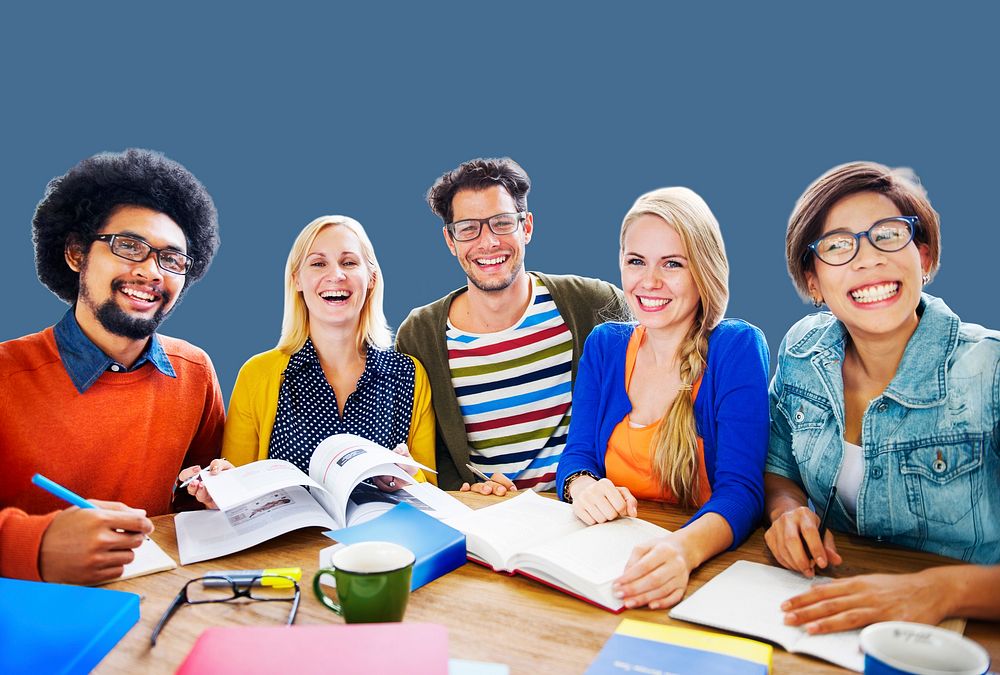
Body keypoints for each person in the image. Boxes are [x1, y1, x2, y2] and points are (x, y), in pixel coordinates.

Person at [765, 161, 1000, 633]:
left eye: (889, 235)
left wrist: (939, 590)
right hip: (836, 608)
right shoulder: (801, 351)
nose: (867, 259)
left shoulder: (989, 371)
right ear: (813, 282)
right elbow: (780, 470)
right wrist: (786, 513)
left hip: (967, 634)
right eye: (837, 245)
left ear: (925, 257)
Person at [0, 148, 224, 584]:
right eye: (129, 246)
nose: (151, 271)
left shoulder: (195, 371)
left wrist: (213, 490)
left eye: (171, 258)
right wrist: (36, 543)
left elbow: (190, 500)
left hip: (158, 601)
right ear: (76, 253)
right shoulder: (5, 375)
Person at [555, 187, 769, 610]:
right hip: (604, 565)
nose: (649, 282)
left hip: (700, 570)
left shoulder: (736, 347)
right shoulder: (605, 345)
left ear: (703, 271)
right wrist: (582, 487)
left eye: (672, 264)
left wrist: (681, 551)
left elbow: (742, 492)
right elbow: (577, 454)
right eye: (637, 262)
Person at [396, 157, 623, 493]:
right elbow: (430, 451)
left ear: (527, 227)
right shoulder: (420, 334)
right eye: (468, 228)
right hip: (489, 524)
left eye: (501, 223)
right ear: (450, 240)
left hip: (585, 510)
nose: (487, 242)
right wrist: (465, 489)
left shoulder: (594, 303)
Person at [181, 215, 434, 505]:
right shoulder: (258, 374)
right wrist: (220, 489)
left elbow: (432, 492)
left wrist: (407, 478)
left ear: (372, 278)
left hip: (383, 547)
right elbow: (237, 486)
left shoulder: (409, 374)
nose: (336, 274)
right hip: (289, 547)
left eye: (349, 262)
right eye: (318, 263)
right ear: (297, 279)